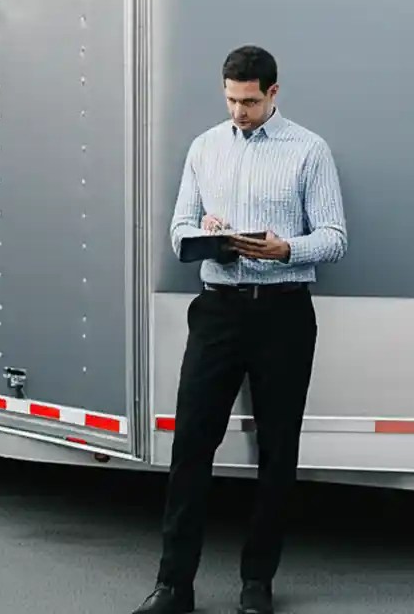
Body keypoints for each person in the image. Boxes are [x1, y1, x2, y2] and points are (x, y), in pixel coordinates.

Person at [132, 45, 348, 614]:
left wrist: (285, 249)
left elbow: (334, 237)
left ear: (273, 93)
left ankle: (257, 584)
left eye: (249, 101)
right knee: (190, 445)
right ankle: (173, 587)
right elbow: (179, 231)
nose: (238, 112)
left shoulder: (309, 150)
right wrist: (208, 233)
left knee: (277, 451)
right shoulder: (205, 147)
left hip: (283, 314)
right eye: (230, 100)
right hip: (218, 311)